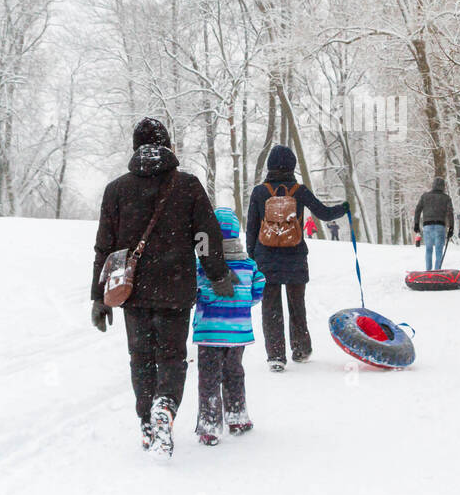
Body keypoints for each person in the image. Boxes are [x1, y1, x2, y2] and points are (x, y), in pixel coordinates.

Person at [90, 117, 235, 461]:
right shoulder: (187, 185)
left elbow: (104, 247)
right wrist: (218, 274)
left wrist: (98, 298)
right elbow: (206, 235)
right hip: (175, 289)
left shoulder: (117, 190)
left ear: (135, 147)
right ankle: (164, 408)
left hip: (133, 293)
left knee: (140, 358)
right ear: (168, 144)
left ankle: (146, 422)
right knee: (172, 356)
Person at [245, 145, 349, 371]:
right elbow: (324, 213)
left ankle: (275, 356)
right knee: (296, 305)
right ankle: (300, 349)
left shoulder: (260, 192)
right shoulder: (299, 190)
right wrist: (343, 209)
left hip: (266, 258)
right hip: (295, 258)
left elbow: (251, 228)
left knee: (270, 308)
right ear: (292, 165)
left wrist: (253, 259)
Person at [193, 207, 266, 446]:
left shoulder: (202, 264)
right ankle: (237, 417)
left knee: (209, 378)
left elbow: (195, 292)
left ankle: (210, 427)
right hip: (238, 332)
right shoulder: (249, 265)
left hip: (209, 333)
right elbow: (257, 292)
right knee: (234, 371)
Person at [413, 177, 454, 271]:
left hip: (427, 226)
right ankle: (437, 272)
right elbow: (450, 213)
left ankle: (428, 272)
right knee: (439, 251)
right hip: (440, 225)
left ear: (433, 185)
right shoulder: (446, 198)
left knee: (428, 249)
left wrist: (416, 224)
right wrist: (451, 227)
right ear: (443, 186)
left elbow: (417, 210)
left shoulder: (425, 196)